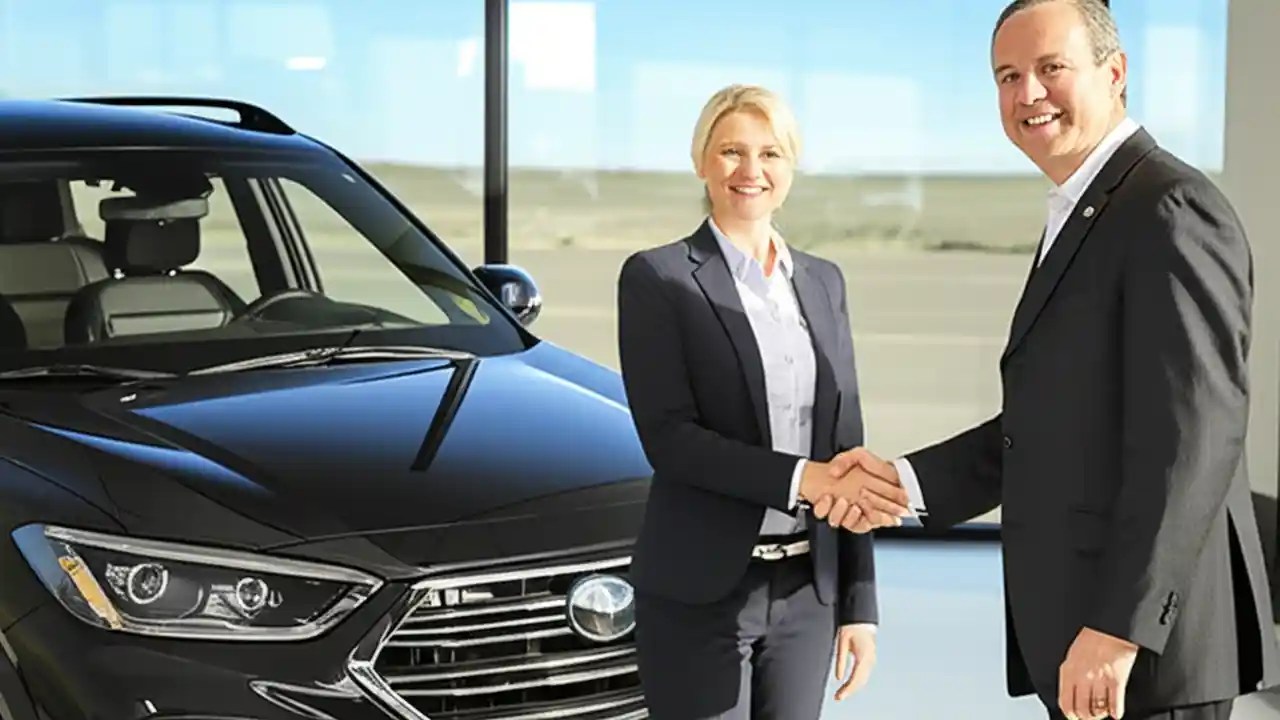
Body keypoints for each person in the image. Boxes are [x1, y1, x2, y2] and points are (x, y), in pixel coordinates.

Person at [819, 1, 1280, 718]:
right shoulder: (1091, 207)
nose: (1026, 93)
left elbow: (1193, 439)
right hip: (1087, 640)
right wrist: (902, 483)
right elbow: (1058, 421)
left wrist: (1119, 629)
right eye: (1007, 75)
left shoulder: (1169, 209)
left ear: (1115, 72)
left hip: (1142, 657)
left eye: (1050, 68)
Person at [615, 84, 911, 719]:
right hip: (700, 590)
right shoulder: (658, 278)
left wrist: (859, 605)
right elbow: (670, 439)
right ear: (702, 161)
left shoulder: (824, 281)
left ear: (791, 167)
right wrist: (803, 479)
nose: (751, 171)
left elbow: (846, 448)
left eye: (770, 154)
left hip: (809, 591)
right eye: (731, 152)